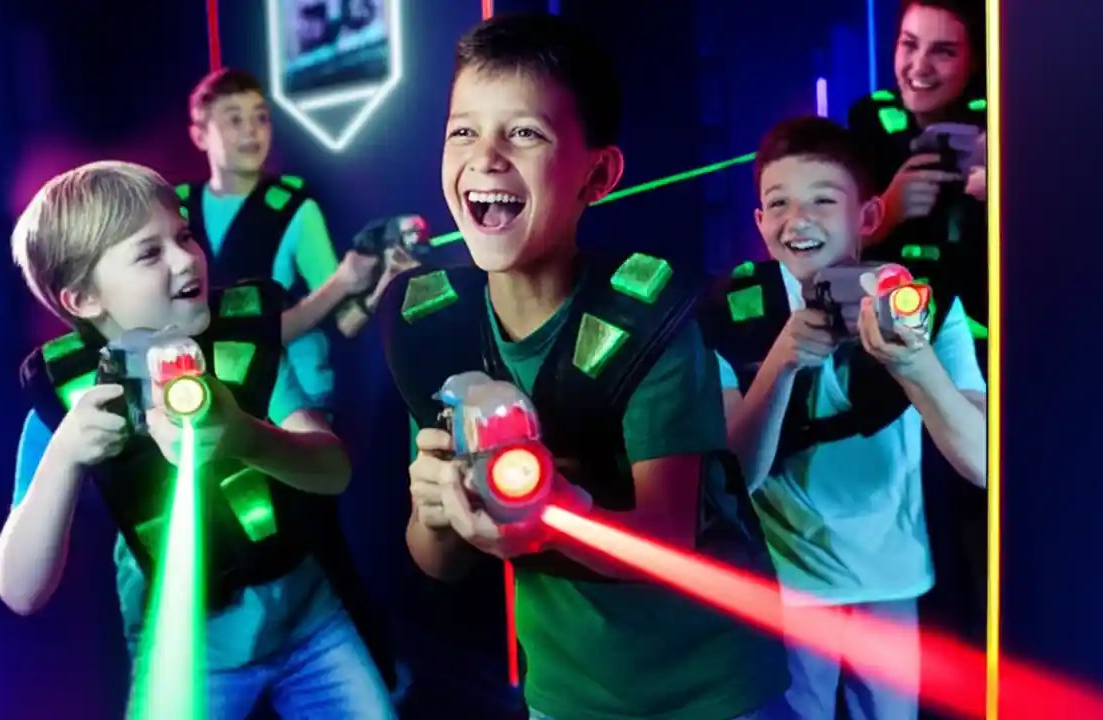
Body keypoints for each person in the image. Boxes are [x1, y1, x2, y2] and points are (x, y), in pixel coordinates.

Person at [381, 14, 788, 720]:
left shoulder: (648, 325)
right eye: (463, 131)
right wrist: (436, 510)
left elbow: (665, 544)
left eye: (525, 133)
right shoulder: (436, 331)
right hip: (566, 695)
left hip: (712, 691)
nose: (486, 158)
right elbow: (437, 562)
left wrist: (554, 518)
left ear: (597, 174)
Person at [0, 161, 396, 719]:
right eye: (149, 253)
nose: (188, 258)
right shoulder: (67, 403)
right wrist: (64, 456)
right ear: (83, 299)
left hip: (309, 624)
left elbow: (333, 469)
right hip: (186, 652)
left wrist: (243, 437)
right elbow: (21, 590)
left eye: (183, 234)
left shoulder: (244, 343)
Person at [708, 116, 987, 720]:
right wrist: (782, 360)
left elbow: (985, 461)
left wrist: (912, 361)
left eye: (822, 201)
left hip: (892, 575)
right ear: (758, 221)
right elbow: (735, 477)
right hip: (779, 587)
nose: (797, 220)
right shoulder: (726, 312)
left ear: (866, 216)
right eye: (777, 203)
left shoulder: (924, 302)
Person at [180, 67, 415, 411]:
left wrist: (380, 285)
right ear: (200, 135)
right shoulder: (178, 209)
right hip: (203, 397)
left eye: (260, 118)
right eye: (235, 120)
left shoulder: (295, 208)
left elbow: (346, 322)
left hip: (293, 400)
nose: (251, 131)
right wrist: (342, 281)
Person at [848, 0, 988, 336]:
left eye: (944, 52)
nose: (919, 67)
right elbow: (822, 252)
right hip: (888, 335)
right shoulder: (868, 124)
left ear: (976, 62)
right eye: (909, 44)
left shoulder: (1003, 121)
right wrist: (889, 211)